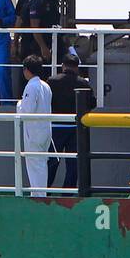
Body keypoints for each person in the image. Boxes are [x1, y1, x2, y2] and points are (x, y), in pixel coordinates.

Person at [47, 54, 95, 189]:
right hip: (76, 127)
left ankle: (45, 190)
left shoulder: (52, 81)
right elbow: (92, 103)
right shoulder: (83, 83)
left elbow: (46, 102)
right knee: (73, 163)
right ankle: (68, 193)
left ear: (63, 66)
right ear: (77, 68)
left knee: (51, 161)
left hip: (55, 126)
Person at [16, 54, 53, 197]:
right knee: (41, 165)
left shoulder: (31, 86)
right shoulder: (46, 86)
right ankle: (38, 194)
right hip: (45, 131)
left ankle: (39, 197)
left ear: (26, 70)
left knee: (34, 166)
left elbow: (27, 110)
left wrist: (19, 104)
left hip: (34, 133)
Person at [14, 0, 49, 93]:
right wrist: (15, 42)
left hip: (42, 41)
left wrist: (44, 46)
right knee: (25, 74)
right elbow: (18, 21)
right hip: (27, 43)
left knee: (43, 73)